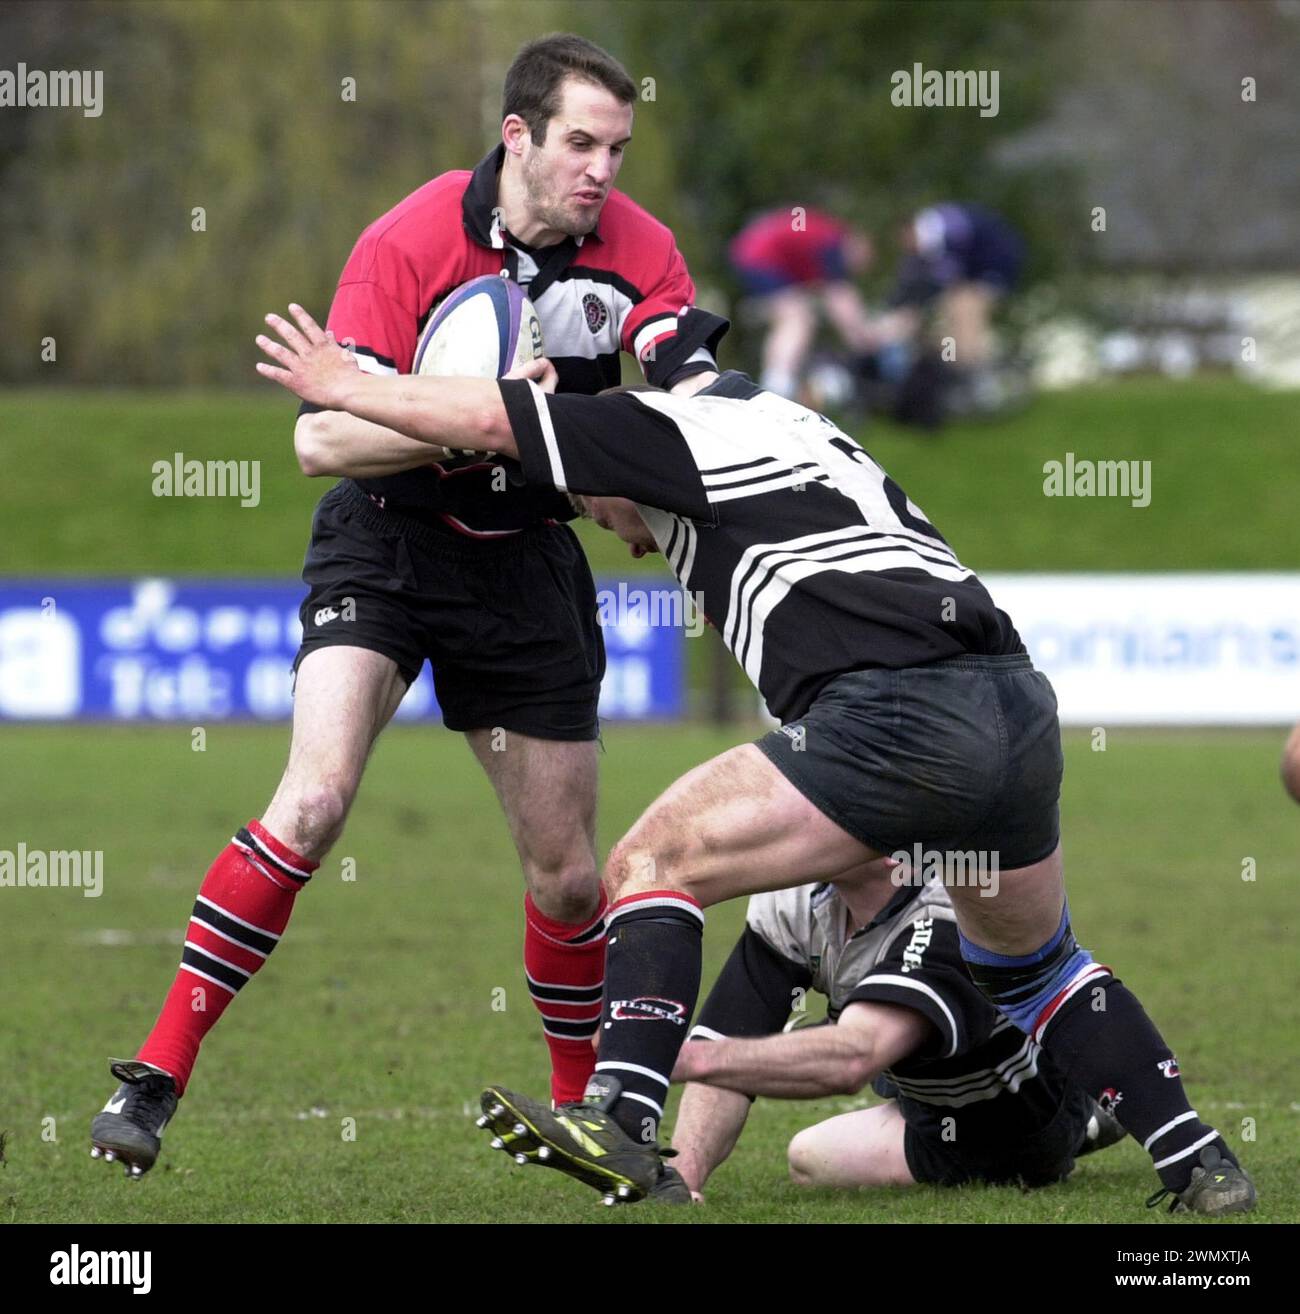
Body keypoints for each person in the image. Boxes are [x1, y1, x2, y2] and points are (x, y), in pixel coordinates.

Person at [251, 304, 1256, 1217]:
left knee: (651, 861)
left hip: (893, 707)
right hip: (1015, 704)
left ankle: (619, 1114)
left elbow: (489, 415)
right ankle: (1197, 1157)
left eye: (597, 515)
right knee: (1035, 970)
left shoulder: (647, 438)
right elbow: (693, 370)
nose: (627, 544)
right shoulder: (783, 422)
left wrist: (349, 387)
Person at [89, 33, 727, 1179]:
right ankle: (155, 1075)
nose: (602, 170)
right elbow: (323, 437)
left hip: (525, 563)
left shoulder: (640, 251)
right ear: (517, 135)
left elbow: (670, 392)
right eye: (581, 143)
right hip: (385, 545)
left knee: (570, 875)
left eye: (619, 148)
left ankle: (583, 1124)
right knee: (315, 799)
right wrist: (475, 409)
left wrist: (623, 471)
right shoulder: (413, 234)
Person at [668, 861, 1124, 1199]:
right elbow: (724, 1036)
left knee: (815, 1152)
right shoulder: (796, 897)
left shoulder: (950, 907)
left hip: (1018, 1119)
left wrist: (686, 1059)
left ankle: (1076, 1126)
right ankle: (1092, 1116)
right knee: (817, 1146)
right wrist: (679, 1181)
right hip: (925, 1102)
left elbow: (851, 1058)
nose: (799, 819)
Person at [728, 206, 876, 400]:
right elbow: (840, 299)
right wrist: (863, 337)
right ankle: (777, 385)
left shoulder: (822, 234)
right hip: (759, 257)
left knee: (798, 316)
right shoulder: (833, 242)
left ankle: (779, 381)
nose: (855, 270)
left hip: (753, 253)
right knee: (796, 319)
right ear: (858, 244)